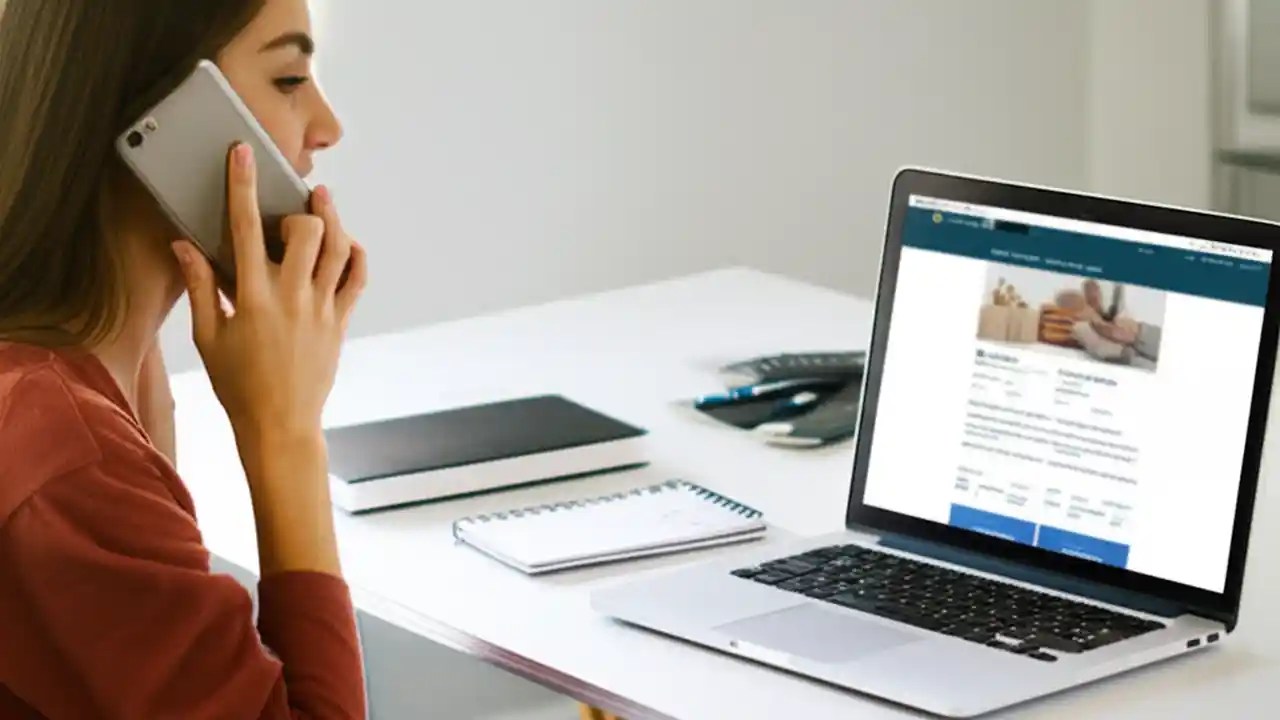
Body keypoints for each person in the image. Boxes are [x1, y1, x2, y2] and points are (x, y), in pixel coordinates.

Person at [0, 1, 370, 717]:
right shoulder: (68, 456)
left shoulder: (88, 393)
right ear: (161, 113)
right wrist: (285, 434)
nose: (327, 128)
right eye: (289, 80)